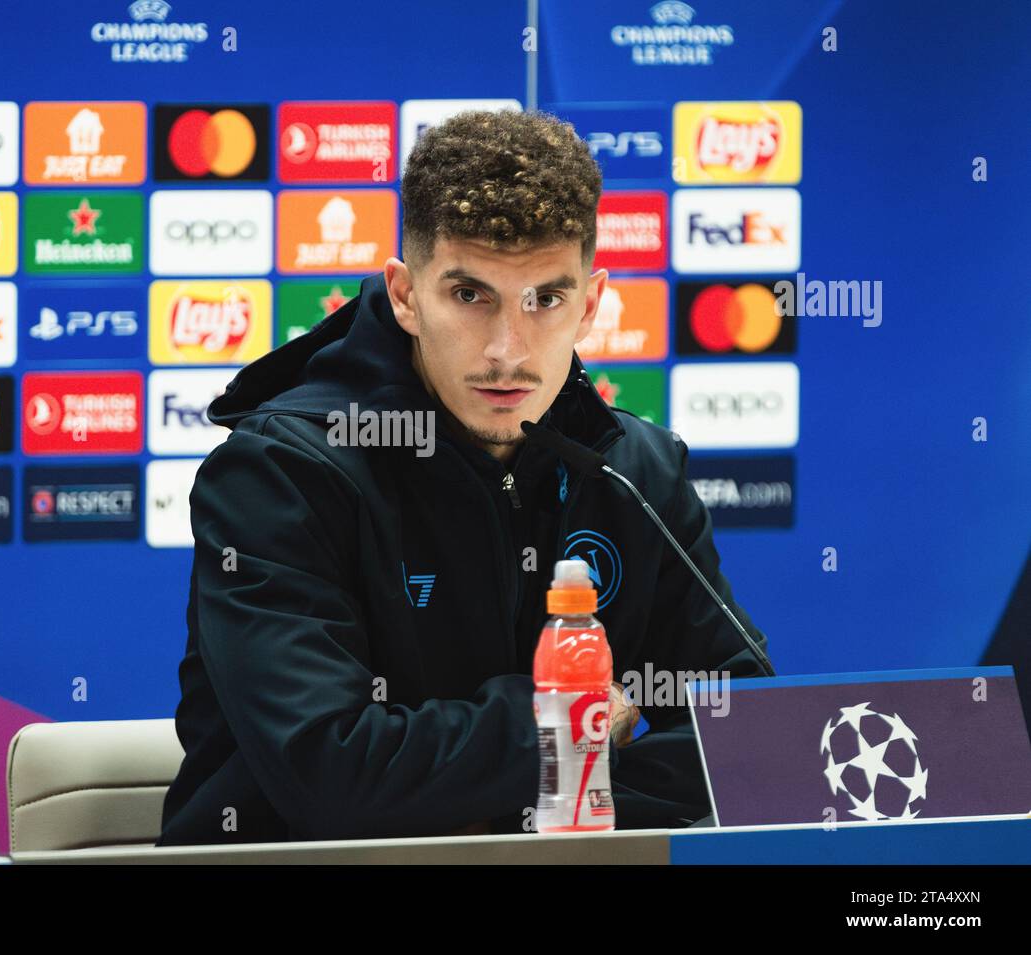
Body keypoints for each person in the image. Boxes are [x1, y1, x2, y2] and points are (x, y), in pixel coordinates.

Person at [156, 109, 772, 846]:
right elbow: (331, 777)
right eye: (470, 294)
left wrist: (500, 806)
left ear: (592, 303)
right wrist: (573, 721)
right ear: (406, 295)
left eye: (545, 298)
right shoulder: (280, 474)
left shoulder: (636, 471)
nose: (507, 350)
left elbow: (749, 738)